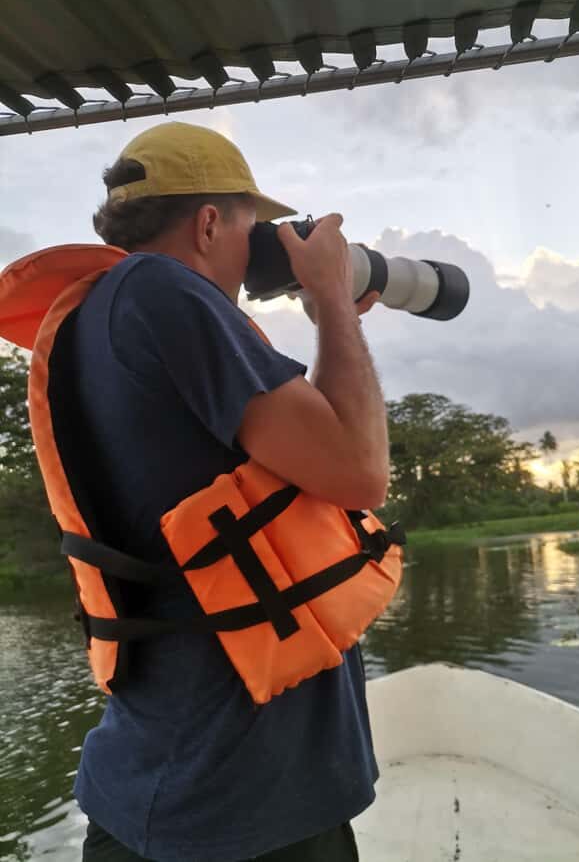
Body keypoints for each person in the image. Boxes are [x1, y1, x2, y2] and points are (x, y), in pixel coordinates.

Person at [69, 121, 389, 861]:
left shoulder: (99, 314)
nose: (264, 246)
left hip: (153, 775)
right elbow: (359, 470)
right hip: (248, 792)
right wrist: (333, 300)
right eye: (258, 226)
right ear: (210, 222)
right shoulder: (164, 291)